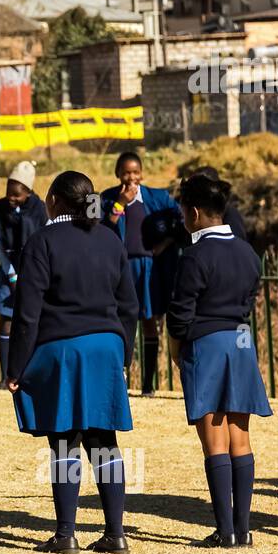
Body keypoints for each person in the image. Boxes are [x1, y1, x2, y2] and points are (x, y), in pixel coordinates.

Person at [6, 171, 139, 554]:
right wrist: (122, 355)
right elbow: (129, 306)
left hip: (62, 349)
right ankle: (116, 534)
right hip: (106, 348)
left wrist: (15, 368)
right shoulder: (110, 240)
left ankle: (66, 535)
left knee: (64, 440)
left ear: (53, 201)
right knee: (104, 442)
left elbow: (27, 315)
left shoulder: (41, 241)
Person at [166, 174, 272, 549]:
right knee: (240, 437)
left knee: (214, 438)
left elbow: (180, 313)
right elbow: (253, 296)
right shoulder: (247, 251)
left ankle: (224, 530)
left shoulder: (195, 254)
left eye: (182, 212)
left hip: (207, 343)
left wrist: (178, 348)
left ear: (193, 212)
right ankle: (243, 530)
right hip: (241, 343)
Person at [101, 151, 180, 395]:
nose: (131, 177)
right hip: (121, 269)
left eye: (136, 172)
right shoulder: (106, 198)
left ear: (142, 173)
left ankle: (148, 384)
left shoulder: (158, 197)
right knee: (120, 324)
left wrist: (164, 245)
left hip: (149, 269)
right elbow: (102, 228)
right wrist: (120, 203)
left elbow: (181, 220)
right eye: (126, 172)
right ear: (117, 174)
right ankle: (120, 377)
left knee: (149, 323)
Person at [0, 161, 47, 385]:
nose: (11, 198)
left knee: (34, 321)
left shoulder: (40, 209)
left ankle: (31, 373)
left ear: (29, 192)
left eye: (17, 195)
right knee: (7, 320)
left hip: (33, 272)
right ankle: (5, 376)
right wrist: (12, 274)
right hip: (9, 271)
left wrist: (30, 273)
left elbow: (44, 239)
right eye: (8, 193)